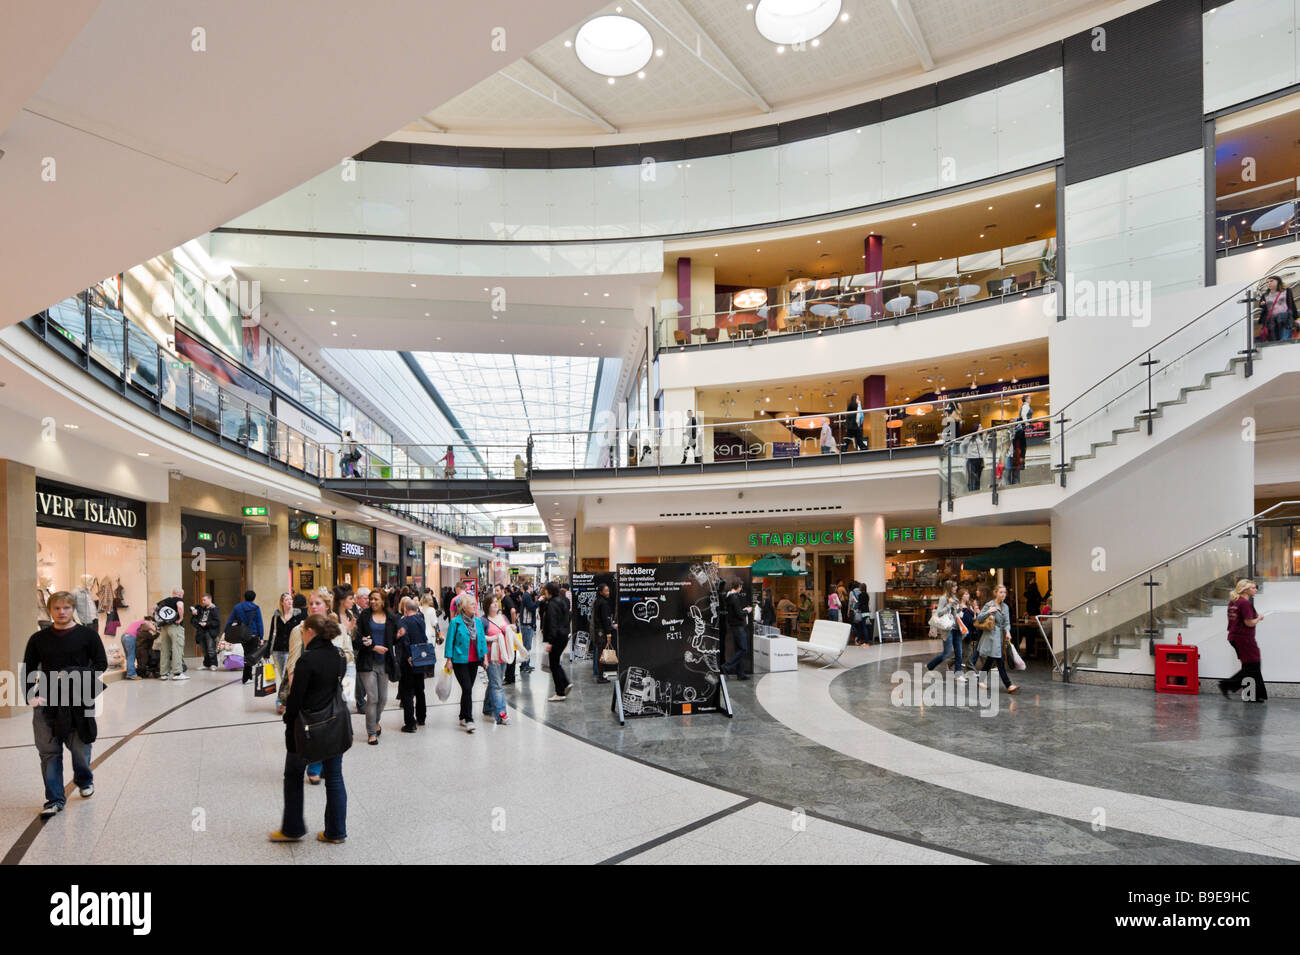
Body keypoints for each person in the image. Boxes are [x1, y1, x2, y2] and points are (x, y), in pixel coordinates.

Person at [25, 592, 107, 818]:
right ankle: (54, 799)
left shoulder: (88, 636)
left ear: (73, 610)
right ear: (50, 610)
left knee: (80, 749)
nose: (61, 612)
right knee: (49, 752)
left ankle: (84, 779)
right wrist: (30, 695)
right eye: (57, 608)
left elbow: (100, 665)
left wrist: (73, 673)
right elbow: (29, 668)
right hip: (46, 702)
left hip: (79, 700)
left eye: (66, 608)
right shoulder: (38, 639)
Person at [270, 614, 348, 844]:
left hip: (306, 729)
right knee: (334, 777)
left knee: (293, 775)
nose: (301, 635)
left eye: (303, 630)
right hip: (333, 724)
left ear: (310, 632)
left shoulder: (307, 660)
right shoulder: (339, 655)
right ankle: (336, 831)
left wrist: (288, 724)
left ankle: (292, 828)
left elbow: (295, 700)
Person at [353, 588, 398, 745]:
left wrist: (398, 636)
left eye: (376, 599)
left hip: (384, 663)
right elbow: (356, 640)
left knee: (383, 699)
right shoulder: (364, 617)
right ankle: (371, 732)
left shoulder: (391, 618)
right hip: (368, 662)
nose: (372, 602)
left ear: (383, 601)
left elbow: (393, 640)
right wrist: (372, 647)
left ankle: (376, 721)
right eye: (370, 599)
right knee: (372, 697)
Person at [444, 595, 487, 732]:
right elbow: (449, 642)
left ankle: (462, 715)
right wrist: (448, 660)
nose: (475, 607)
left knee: (467, 690)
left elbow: (482, 641)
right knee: (467, 688)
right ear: (464, 607)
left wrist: (485, 657)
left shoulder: (478, 622)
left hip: (474, 660)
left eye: (475, 605)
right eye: (472, 605)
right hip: (459, 660)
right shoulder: (455, 622)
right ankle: (469, 719)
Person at [1220, 579, 1267, 702]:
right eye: (1253, 588)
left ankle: (1251, 695)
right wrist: (1259, 618)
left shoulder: (1234, 602)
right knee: (1253, 665)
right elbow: (1249, 622)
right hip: (1244, 639)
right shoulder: (1244, 603)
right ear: (1245, 590)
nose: (1255, 589)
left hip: (1235, 637)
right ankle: (1228, 685)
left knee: (1249, 666)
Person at [395, 596, 432, 732]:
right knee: (420, 690)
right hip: (421, 658)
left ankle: (410, 724)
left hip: (408, 660)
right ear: (416, 609)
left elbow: (404, 639)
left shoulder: (403, 622)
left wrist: (409, 656)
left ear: (405, 609)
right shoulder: (420, 620)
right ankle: (421, 717)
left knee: (407, 692)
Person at [974, 584, 1018, 694]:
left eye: (1004, 592)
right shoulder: (989, 604)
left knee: (990, 660)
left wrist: (1007, 632)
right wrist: (989, 611)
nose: (1003, 594)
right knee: (999, 660)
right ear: (995, 593)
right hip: (990, 636)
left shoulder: (1006, 607)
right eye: (1001, 592)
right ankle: (1008, 685)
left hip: (999, 637)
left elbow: (1006, 623)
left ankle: (980, 680)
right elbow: (979, 618)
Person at [482, 595, 516, 725]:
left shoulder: (504, 617)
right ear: (487, 606)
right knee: (497, 686)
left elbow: (509, 632)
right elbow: (479, 637)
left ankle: (487, 707)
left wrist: (511, 629)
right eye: (492, 603)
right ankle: (501, 714)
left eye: (496, 602)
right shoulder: (484, 621)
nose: (495, 604)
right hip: (492, 657)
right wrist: (491, 638)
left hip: (504, 655)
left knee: (494, 682)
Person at [924, 580, 965, 681]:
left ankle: (958, 674)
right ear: (949, 587)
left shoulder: (955, 598)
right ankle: (930, 666)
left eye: (956, 586)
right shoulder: (943, 598)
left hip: (956, 628)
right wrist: (949, 605)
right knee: (946, 653)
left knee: (959, 652)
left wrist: (959, 609)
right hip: (948, 628)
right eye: (954, 587)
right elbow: (939, 613)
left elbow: (954, 614)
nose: (956, 588)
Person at [225, 590, 265, 685]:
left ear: (244, 597)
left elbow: (230, 621)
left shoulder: (237, 608)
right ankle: (246, 677)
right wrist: (261, 636)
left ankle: (248, 676)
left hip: (242, 634)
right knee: (250, 656)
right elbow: (259, 623)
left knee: (247, 654)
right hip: (253, 634)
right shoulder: (256, 608)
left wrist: (225, 631)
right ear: (254, 598)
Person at [542, 580, 572, 701]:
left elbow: (552, 624)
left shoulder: (552, 605)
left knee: (554, 664)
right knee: (555, 663)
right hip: (564, 636)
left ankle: (560, 692)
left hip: (557, 637)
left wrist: (550, 641)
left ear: (549, 591)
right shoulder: (562, 601)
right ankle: (564, 683)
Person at [269, 593, 301, 698]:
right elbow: (271, 634)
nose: (289, 601)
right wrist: (267, 652)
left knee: (287, 674)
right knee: (283, 676)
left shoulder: (297, 616)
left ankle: (282, 699)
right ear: (282, 603)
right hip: (277, 650)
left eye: (291, 599)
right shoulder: (276, 617)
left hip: (292, 650)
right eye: (287, 600)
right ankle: (286, 697)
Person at [720, 579, 751, 680]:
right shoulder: (734, 598)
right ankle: (727, 666)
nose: (741, 589)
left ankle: (740, 674)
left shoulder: (729, 597)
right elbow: (739, 614)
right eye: (741, 587)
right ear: (739, 586)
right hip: (738, 626)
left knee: (739, 649)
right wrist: (747, 611)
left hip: (733, 626)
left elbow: (735, 612)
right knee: (743, 649)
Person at [154, 588, 187, 681]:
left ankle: (164, 674)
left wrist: (158, 621)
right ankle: (177, 673)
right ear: (180, 594)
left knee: (164, 649)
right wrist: (181, 618)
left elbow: (153, 608)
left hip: (164, 627)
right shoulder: (179, 599)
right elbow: (180, 606)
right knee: (177, 649)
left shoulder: (165, 600)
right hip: (175, 627)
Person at [1256, 274, 1298, 342]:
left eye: (1271, 281)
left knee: (1285, 339)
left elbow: (1291, 304)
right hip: (1272, 322)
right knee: (1274, 341)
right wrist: (1262, 304)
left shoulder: (1286, 291)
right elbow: (1262, 307)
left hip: (1285, 319)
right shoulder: (1265, 295)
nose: (1269, 283)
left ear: (1278, 281)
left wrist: (1295, 318)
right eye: (1267, 282)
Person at [591, 582, 616, 684]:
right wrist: (608, 633)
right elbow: (605, 620)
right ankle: (601, 676)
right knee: (601, 653)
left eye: (608, 590)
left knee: (599, 652)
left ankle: (600, 674)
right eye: (606, 591)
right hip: (601, 631)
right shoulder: (604, 603)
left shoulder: (597, 601)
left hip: (597, 631)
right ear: (601, 592)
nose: (608, 592)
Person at [117, 616, 156, 680]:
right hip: (130, 637)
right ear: (150, 620)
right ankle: (131, 674)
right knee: (131, 656)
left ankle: (129, 673)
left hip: (124, 636)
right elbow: (154, 629)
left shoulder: (138, 622)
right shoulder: (146, 622)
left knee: (128, 656)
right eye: (153, 622)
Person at [192, 593, 221, 671]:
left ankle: (214, 664)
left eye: (204, 600)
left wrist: (207, 623)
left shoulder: (215, 609)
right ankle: (206, 664)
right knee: (204, 649)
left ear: (209, 599)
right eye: (202, 600)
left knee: (211, 648)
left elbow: (217, 622)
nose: (203, 601)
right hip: (201, 631)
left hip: (210, 631)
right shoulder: (202, 609)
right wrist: (194, 613)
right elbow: (197, 616)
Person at [519, 584, 538, 673]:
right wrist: (539, 601)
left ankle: (526, 664)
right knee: (526, 646)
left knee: (527, 646)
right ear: (528, 588)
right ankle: (524, 665)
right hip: (526, 625)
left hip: (527, 625)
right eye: (531, 587)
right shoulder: (526, 596)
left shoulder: (527, 596)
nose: (532, 588)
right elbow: (531, 607)